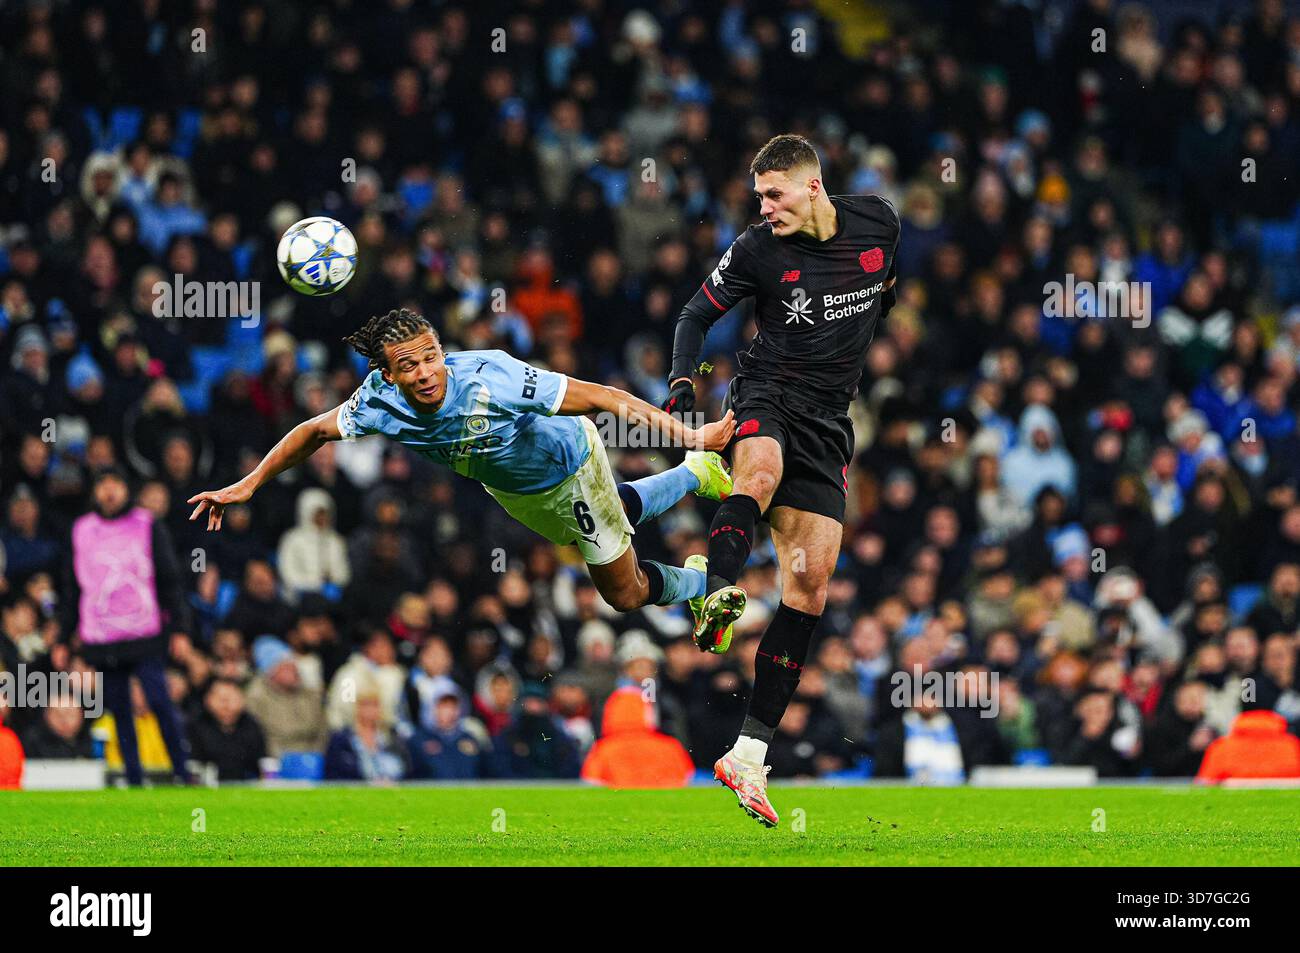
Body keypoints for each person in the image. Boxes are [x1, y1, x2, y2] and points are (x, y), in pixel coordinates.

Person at [188, 309, 735, 619]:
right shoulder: (376, 402)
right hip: (514, 492)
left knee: (623, 594)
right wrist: (249, 483)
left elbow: (600, 396)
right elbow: (312, 432)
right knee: (612, 520)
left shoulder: (489, 375)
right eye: (410, 365)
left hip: (570, 465)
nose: (427, 372)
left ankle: (701, 585)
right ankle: (694, 475)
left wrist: (693, 434)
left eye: (432, 356)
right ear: (387, 374)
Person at [662, 133, 900, 824]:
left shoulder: (880, 222)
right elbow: (694, 314)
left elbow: (886, 283)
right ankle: (716, 591)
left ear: (813, 187)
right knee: (758, 473)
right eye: (758, 196)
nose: (764, 207)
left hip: (829, 422)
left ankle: (748, 756)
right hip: (766, 395)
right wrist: (683, 381)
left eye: (775, 194)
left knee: (811, 586)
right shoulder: (758, 249)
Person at [57, 467, 193, 785]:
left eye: (115, 483)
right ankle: (133, 778)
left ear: (126, 489)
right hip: (103, 637)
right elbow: (72, 587)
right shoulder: (82, 530)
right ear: (94, 491)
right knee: (118, 708)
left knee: (159, 701)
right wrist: (64, 637)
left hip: (145, 631)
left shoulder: (146, 524)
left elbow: (169, 579)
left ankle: (182, 771)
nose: (109, 491)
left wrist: (181, 629)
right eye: (102, 484)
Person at [581, 685, 694, 788]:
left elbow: (591, 784)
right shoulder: (670, 747)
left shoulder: (603, 749)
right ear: (649, 713)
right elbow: (687, 781)